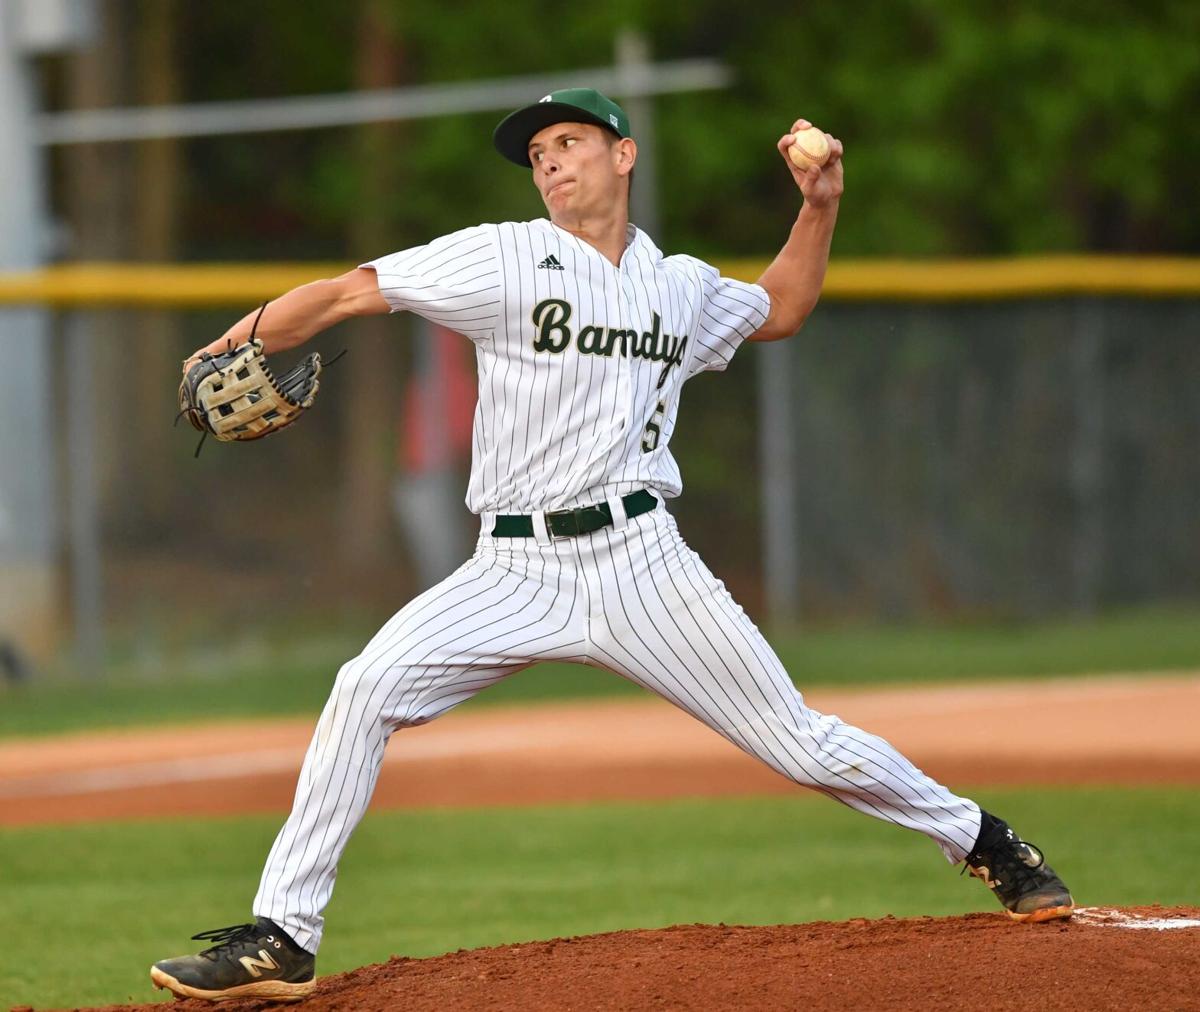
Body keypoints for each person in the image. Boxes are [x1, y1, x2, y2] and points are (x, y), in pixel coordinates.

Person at [151, 88, 1073, 1003]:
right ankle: (283, 936)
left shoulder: (678, 286)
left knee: (802, 745)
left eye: (569, 141)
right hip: (513, 567)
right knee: (365, 688)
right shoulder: (503, 256)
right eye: (538, 152)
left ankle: (987, 843)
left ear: (624, 155)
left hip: (641, 562)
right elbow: (350, 292)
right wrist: (234, 343)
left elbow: (781, 308)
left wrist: (820, 204)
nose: (550, 160)